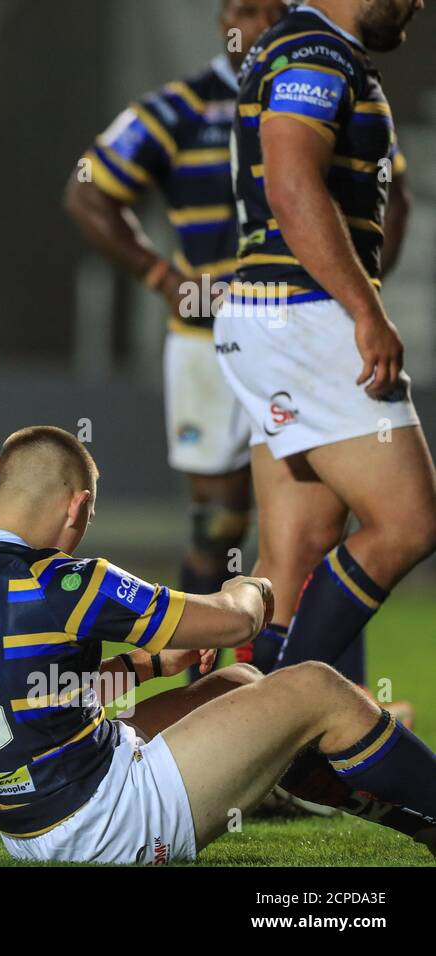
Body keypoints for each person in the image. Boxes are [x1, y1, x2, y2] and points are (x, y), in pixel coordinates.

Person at [64, 0, 409, 685]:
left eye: (266, 8)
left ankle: (267, 710)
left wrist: (361, 289)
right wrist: (162, 275)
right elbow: (88, 190)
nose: (253, 22)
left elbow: (389, 194)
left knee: (303, 541)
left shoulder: (310, 68)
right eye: (243, 11)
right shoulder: (192, 100)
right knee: (230, 523)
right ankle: (241, 694)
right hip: (243, 327)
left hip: (275, 318)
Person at [0, 426, 435, 863]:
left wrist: (149, 664)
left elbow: (32, 692)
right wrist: (251, 587)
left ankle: (404, 815)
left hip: (28, 828)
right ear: (75, 507)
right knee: (317, 687)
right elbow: (234, 625)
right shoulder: (59, 581)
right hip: (103, 823)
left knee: (238, 684)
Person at [215, 0, 436, 675]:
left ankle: (249, 750)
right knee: (408, 522)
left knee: (295, 556)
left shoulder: (307, 47)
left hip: (269, 317)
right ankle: (285, 712)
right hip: (303, 317)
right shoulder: (316, 51)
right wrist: (366, 310)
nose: (417, 4)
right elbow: (289, 183)